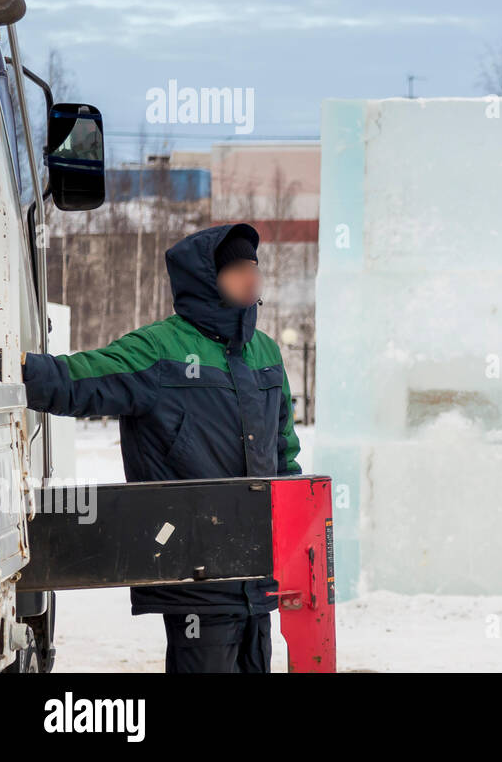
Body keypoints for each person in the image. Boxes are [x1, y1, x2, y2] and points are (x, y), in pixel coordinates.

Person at [22, 223, 302, 673]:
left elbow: (284, 451)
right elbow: (80, 380)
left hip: (256, 572)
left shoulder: (265, 351)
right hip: (195, 568)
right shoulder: (159, 348)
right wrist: (15, 368)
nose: (252, 277)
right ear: (206, 279)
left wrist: (292, 538)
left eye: (255, 267)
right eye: (237, 269)